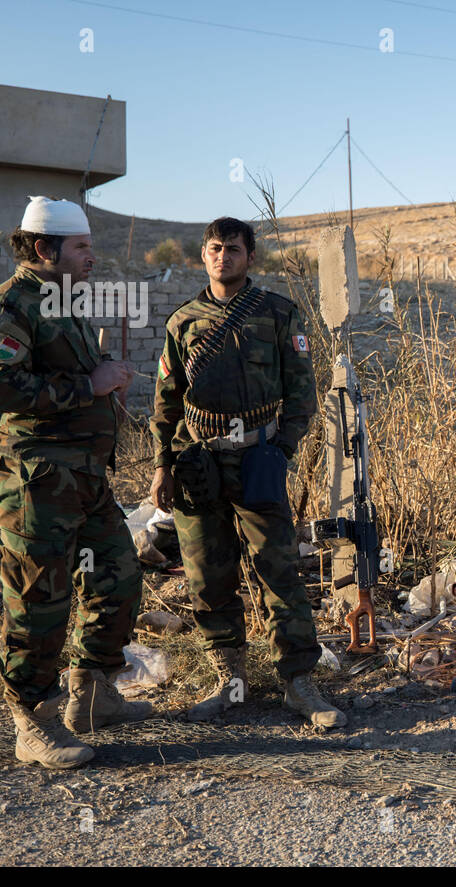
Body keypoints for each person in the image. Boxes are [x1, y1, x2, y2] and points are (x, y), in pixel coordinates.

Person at [0, 196, 150, 770]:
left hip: (83, 475)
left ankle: (92, 695)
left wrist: (105, 382)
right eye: (81, 247)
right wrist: (89, 387)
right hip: (34, 480)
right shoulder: (9, 306)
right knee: (38, 601)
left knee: (119, 575)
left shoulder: (63, 301)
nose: (92, 257)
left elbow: (72, 375)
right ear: (45, 250)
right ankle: (32, 720)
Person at [149, 217, 345, 730]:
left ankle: (299, 684)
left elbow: (301, 391)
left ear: (249, 257)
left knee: (278, 571)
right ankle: (230, 683)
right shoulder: (183, 323)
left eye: (233, 249)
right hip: (198, 463)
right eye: (214, 249)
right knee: (208, 577)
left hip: (257, 459)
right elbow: (166, 405)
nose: (223, 257)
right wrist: (162, 465)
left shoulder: (278, 313)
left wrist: (281, 448)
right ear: (203, 255)